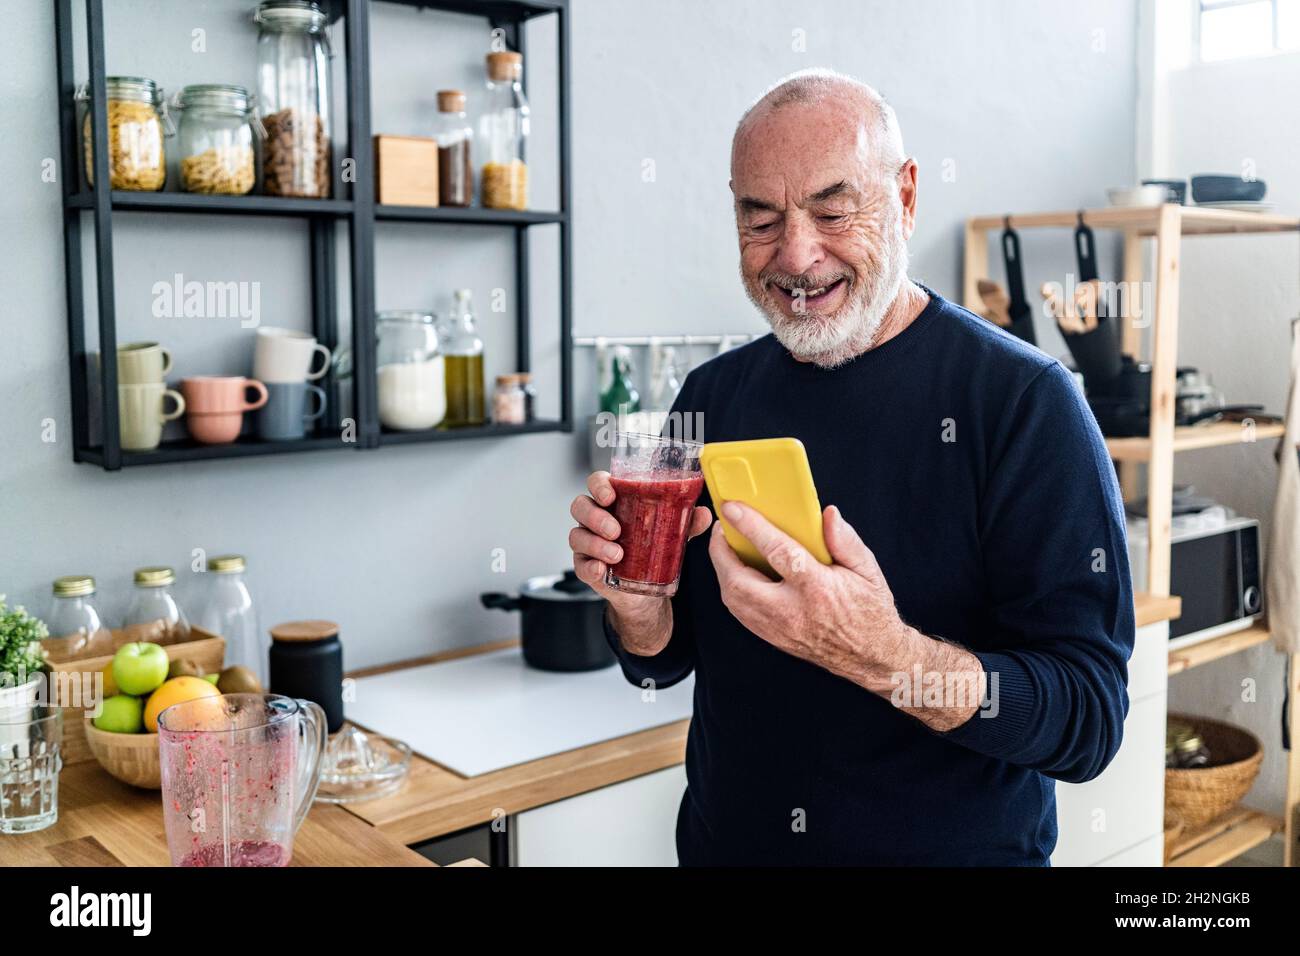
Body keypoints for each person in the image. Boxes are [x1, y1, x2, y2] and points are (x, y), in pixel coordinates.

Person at [567, 69, 1134, 865]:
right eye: (759, 219)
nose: (796, 256)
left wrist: (886, 656)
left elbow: (1089, 721)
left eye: (833, 210)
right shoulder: (712, 395)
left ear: (904, 198)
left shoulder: (1024, 404)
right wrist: (638, 610)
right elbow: (667, 657)